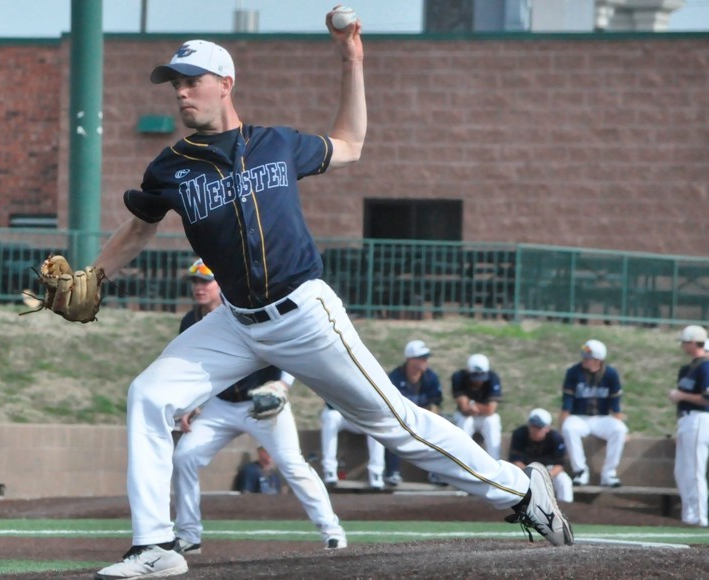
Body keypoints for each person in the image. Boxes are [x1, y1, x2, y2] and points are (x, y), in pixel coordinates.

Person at [91, 11, 571, 578]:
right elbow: (140, 229)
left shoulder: (275, 144)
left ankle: (520, 492)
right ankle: (154, 546)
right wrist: (94, 276)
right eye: (174, 82)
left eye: (191, 79)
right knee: (148, 395)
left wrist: (352, 60)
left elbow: (350, 143)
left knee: (398, 425)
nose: (180, 91)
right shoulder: (170, 167)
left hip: (305, 315)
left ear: (225, 84)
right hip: (237, 322)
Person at [172, 259, 347, 555]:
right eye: (195, 282)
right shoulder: (191, 321)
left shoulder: (243, 311)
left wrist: (283, 384)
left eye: (205, 281)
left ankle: (332, 532)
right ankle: (189, 535)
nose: (199, 288)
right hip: (221, 405)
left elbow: (288, 344)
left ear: (221, 284)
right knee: (184, 457)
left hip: (262, 403)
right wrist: (189, 402)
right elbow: (192, 368)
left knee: (292, 465)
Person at [560, 339, 628, 487]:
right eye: (584, 357)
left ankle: (609, 474)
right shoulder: (573, 372)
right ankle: (581, 471)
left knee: (620, 429)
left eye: (588, 358)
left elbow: (615, 404)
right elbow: (567, 401)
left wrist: (620, 423)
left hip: (601, 418)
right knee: (568, 428)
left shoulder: (610, 374)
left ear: (598, 360)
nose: (584, 360)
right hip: (579, 417)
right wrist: (562, 421)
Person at [385, 340, 443, 485]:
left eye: (426, 357)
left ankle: (436, 473)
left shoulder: (431, 377)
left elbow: (435, 403)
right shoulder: (395, 377)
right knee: (393, 431)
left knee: (437, 431)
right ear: (410, 359)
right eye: (422, 358)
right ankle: (392, 472)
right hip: (400, 418)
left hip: (422, 418)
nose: (426, 361)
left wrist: (431, 419)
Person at [668, 325, 709, 528]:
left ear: (694, 342)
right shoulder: (687, 368)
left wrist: (681, 396)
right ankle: (689, 515)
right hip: (686, 420)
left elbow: (706, 398)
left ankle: (701, 517)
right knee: (682, 471)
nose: (683, 345)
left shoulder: (705, 366)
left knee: (695, 470)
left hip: (700, 419)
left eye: (685, 341)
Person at [509, 409, 573, 504]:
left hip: (548, 471)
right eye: (532, 426)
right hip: (525, 470)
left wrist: (546, 475)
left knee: (564, 480)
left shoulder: (555, 438)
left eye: (539, 427)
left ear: (547, 428)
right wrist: (532, 473)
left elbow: (559, 465)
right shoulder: (519, 434)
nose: (534, 430)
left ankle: (566, 507)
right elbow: (515, 460)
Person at [320, 402, 386, 490]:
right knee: (330, 416)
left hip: (362, 417)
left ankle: (376, 473)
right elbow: (330, 404)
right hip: (341, 415)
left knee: (377, 422)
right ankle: (329, 470)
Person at [451, 353, 503, 460]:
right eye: (475, 377)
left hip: (484, 418)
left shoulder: (493, 378)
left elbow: (490, 410)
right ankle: (462, 461)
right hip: (464, 416)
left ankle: (495, 461)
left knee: (492, 421)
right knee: (466, 421)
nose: (478, 381)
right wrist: (479, 407)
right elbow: (464, 408)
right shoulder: (459, 377)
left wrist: (472, 404)